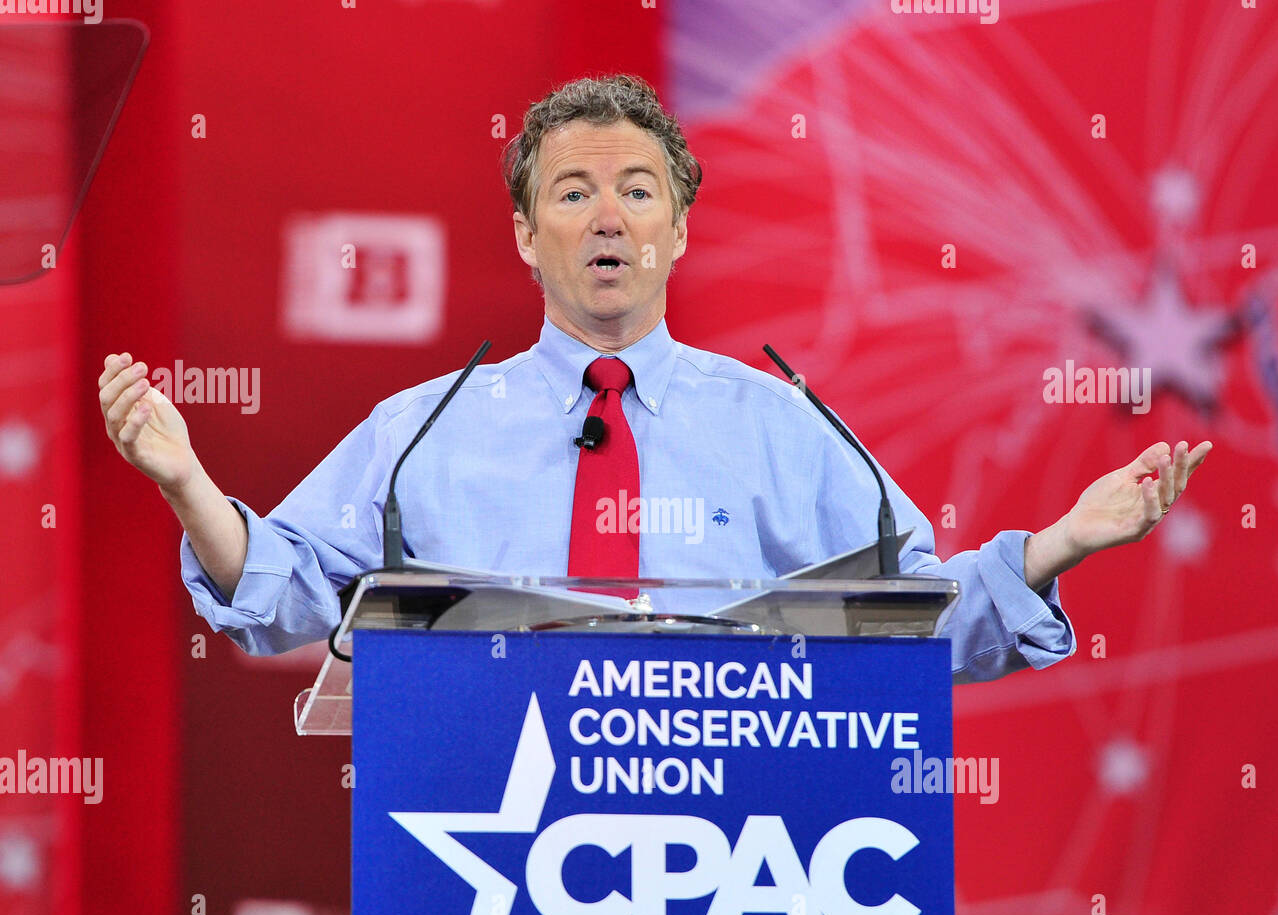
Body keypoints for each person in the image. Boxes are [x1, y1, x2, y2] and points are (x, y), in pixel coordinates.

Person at [97, 74, 1210, 681]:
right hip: (486, 824)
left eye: (637, 189)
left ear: (678, 231)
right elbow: (278, 596)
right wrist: (187, 482)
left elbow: (916, 618)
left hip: (739, 850)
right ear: (527, 236)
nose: (608, 217)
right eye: (573, 192)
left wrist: (1056, 544)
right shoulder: (425, 427)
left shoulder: (781, 424)